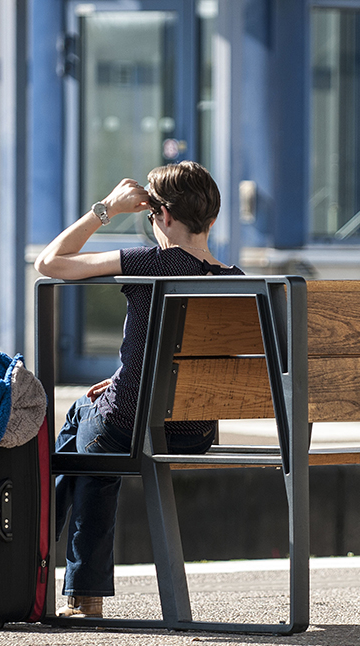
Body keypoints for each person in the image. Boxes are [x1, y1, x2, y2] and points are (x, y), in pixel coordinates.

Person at [34, 161, 244, 618]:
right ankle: (42, 542)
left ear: (164, 217)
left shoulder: (153, 262)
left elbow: (48, 262)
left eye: (150, 214)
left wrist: (105, 209)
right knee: (89, 422)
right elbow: (203, 359)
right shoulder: (238, 281)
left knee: (87, 429)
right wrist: (133, 373)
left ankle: (35, 545)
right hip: (194, 430)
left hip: (131, 424)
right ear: (211, 220)